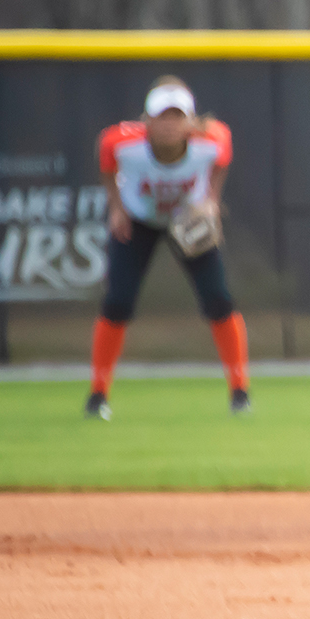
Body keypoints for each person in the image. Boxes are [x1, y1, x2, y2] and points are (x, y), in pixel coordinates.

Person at [83, 77, 250, 419]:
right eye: (163, 116)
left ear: (191, 121)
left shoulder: (211, 140)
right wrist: (116, 206)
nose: (170, 125)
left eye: (178, 117)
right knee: (117, 304)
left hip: (188, 220)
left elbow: (223, 159)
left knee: (219, 300)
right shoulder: (123, 143)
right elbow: (105, 159)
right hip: (139, 219)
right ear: (147, 121)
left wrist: (211, 202)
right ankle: (98, 395)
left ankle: (240, 392)